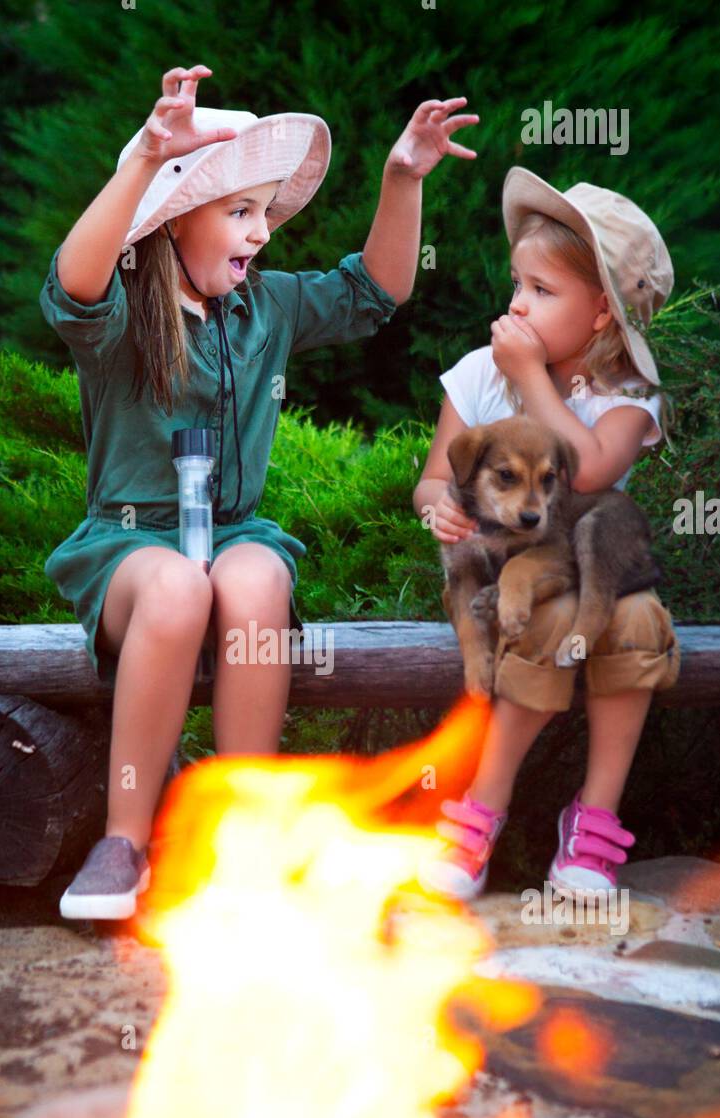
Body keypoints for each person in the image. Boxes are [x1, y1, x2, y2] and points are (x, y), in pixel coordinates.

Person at [41, 64, 480, 919]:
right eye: (239, 213)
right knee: (175, 588)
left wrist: (401, 178)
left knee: (253, 580)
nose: (263, 234)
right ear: (172, 226)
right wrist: (142, 160)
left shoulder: (265, 307)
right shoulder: (123, 314)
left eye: (266, 213)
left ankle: (246, 833)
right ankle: (125, 839)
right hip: (132, 546)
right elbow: (71, 283)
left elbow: (374, 291)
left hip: (235, 529)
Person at [413, 166, 680, 901]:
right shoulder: (477, 377)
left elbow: (589, 471)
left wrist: (529, 373)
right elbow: (434, 478)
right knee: (549, 612)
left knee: (635, 620)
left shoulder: (627, 396)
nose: (516, 303)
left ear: (600, 313)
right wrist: (440, 506)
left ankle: (592, 822)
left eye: (541, 291)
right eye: (517, 283)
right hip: (508, 577)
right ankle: (482, 809)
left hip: (596, 571)